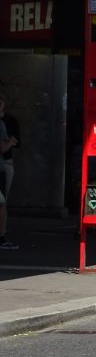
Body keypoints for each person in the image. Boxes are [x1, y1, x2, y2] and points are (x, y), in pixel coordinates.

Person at [0, 101, 17, 250]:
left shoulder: (7, 122)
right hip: (2, 166)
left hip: (4, 165)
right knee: (2, 204)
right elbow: (3, 148)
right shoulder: (2, 124)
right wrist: (10, 142)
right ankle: (1, 237)